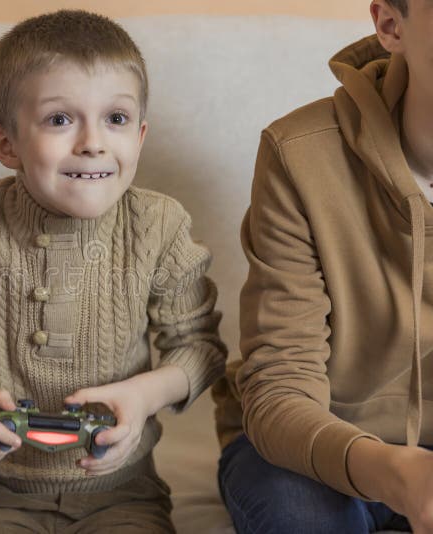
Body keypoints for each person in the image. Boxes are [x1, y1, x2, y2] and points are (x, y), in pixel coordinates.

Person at [0, 9, 227, 533]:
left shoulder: (160, 226)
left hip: (123, 492)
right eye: (60, 119)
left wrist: (145, 395)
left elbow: (200, 346)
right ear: (6, 143)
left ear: (141, 136)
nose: (92, 142)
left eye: (116, 119)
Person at [213, 0, 433, 532]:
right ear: (390, 25)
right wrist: (397, 474)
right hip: (309, 449)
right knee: (302, 516)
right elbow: (280, 391)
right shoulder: (300, 155)